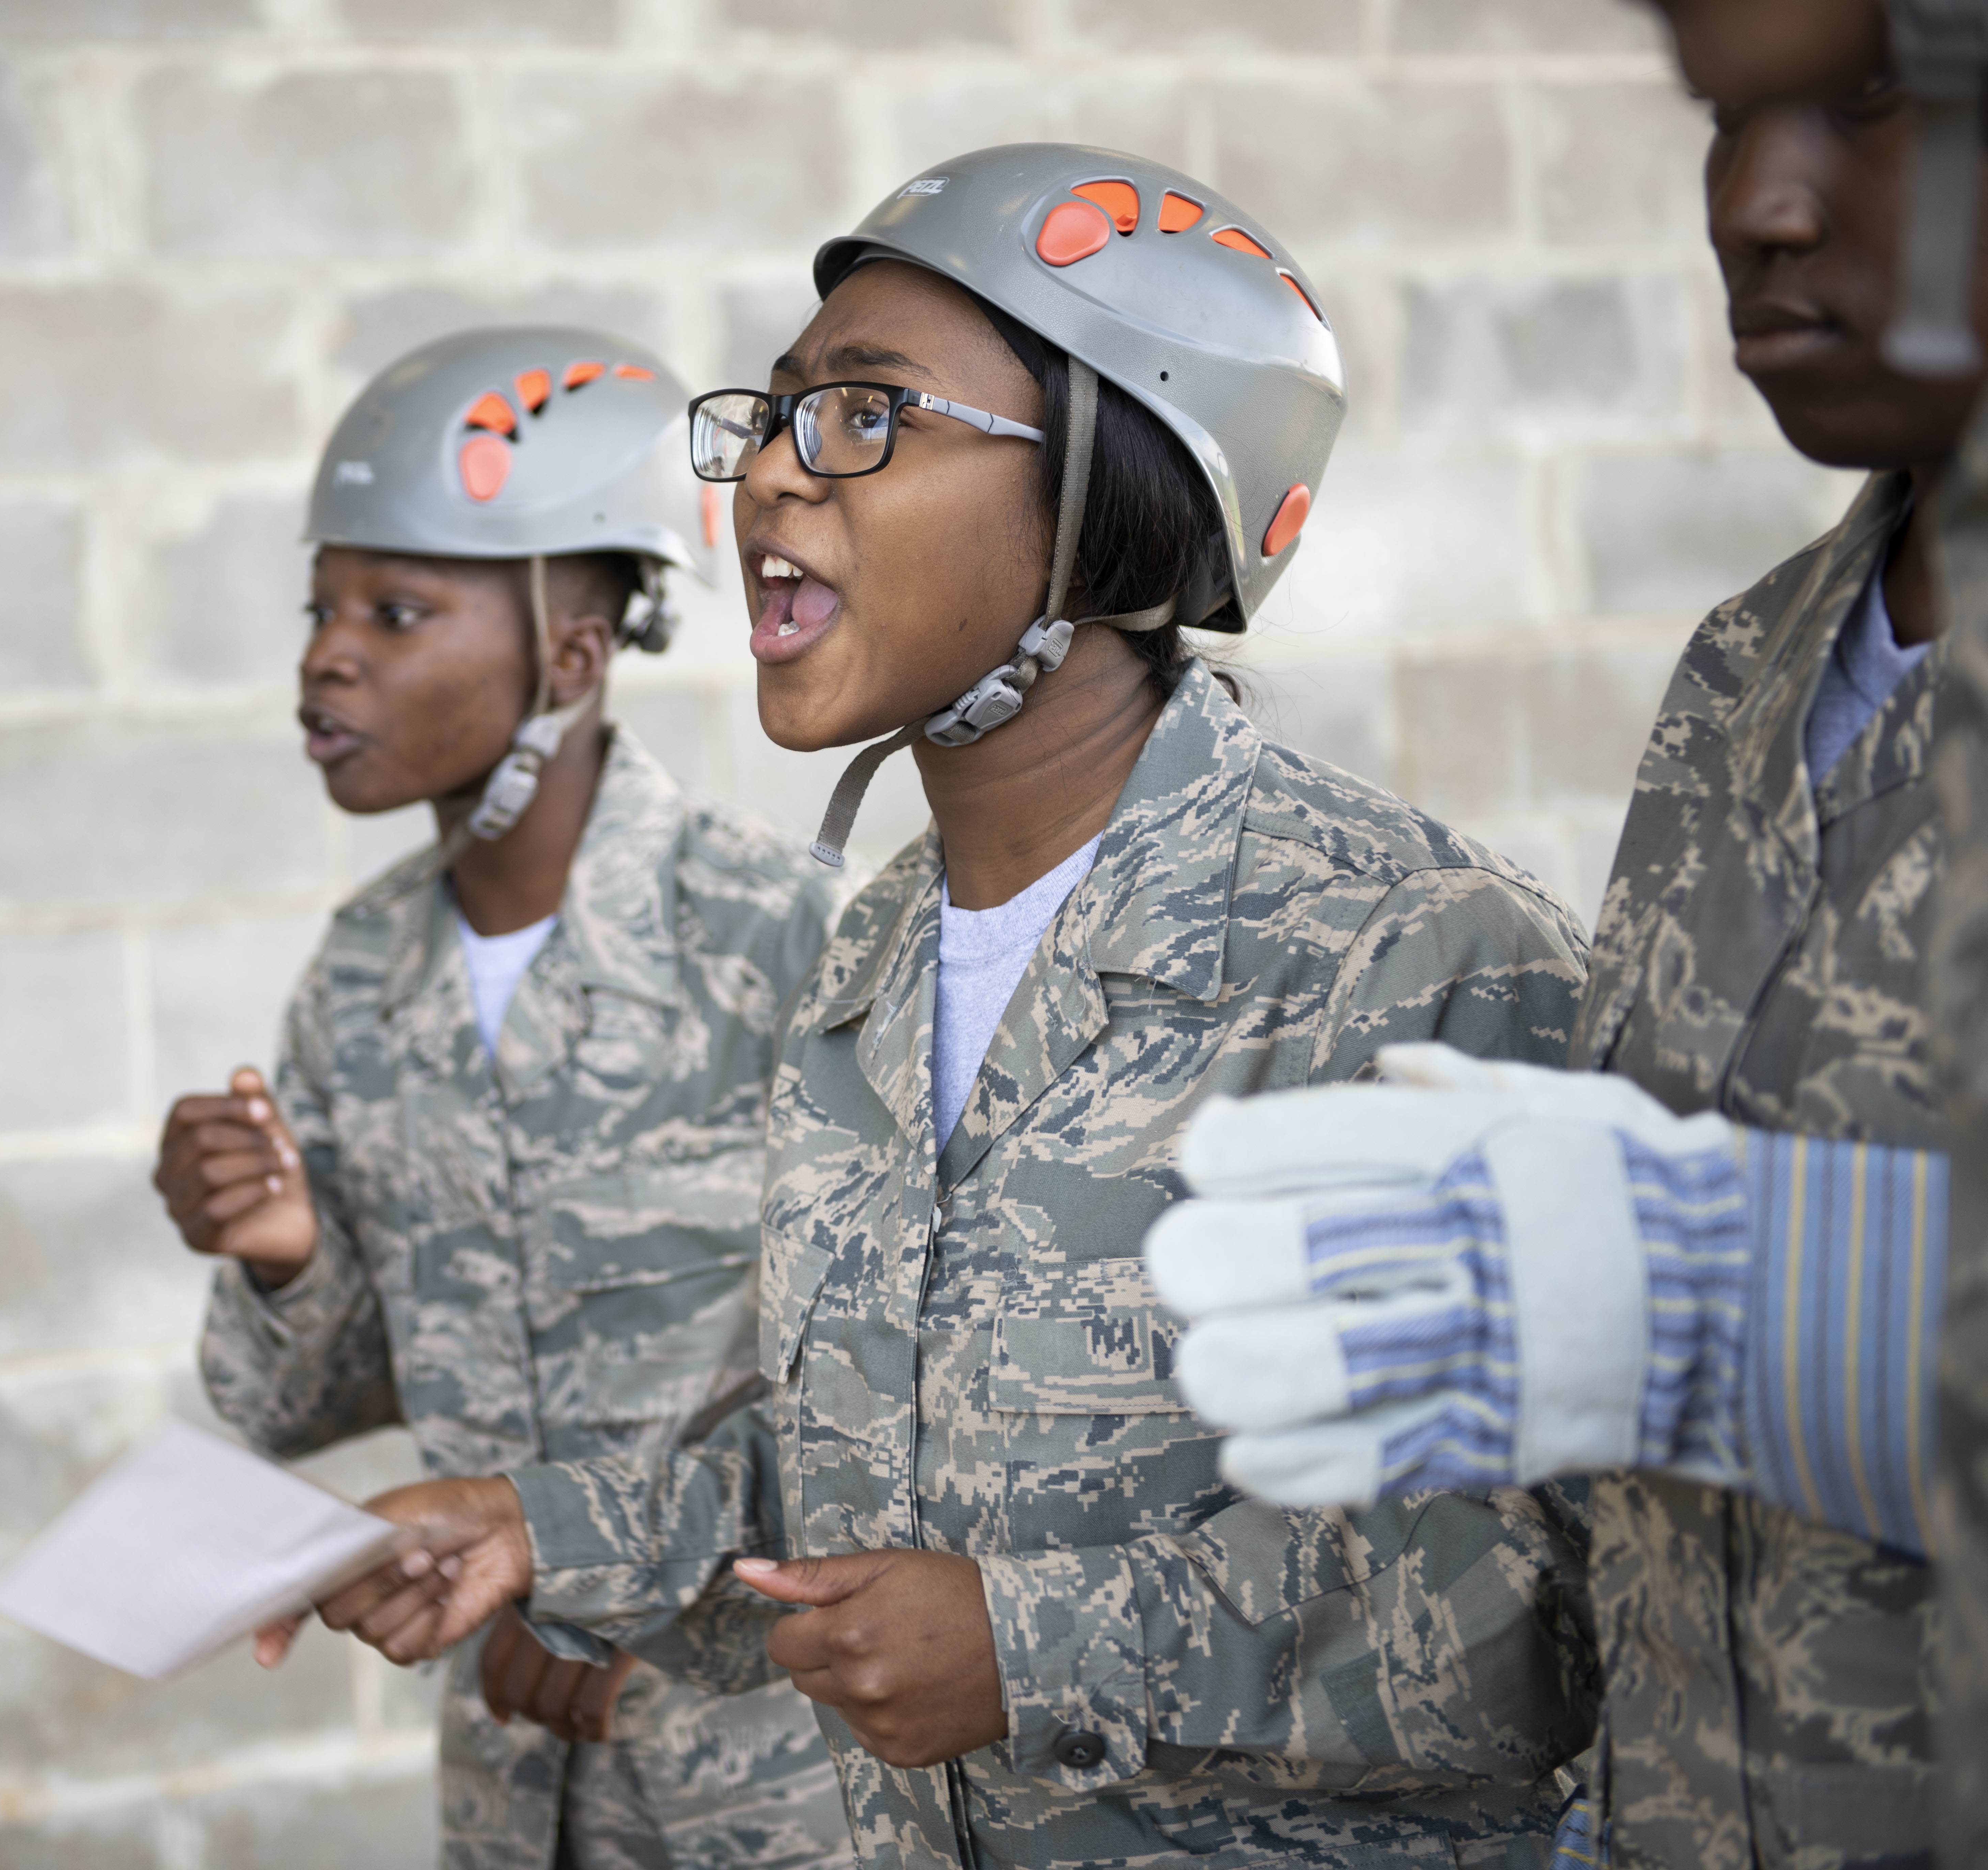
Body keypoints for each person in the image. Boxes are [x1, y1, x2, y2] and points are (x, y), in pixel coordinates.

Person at [299, 146, 1605, 1868]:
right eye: (768, 419)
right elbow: (865, 1466)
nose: (769, 473)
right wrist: (542, 1529)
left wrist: (1032, 1643)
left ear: (1111, 498)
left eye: (862, 417)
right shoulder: (877, 958)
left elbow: (1576, 1595)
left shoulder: (1414, 951)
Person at [1136, 12, 1978, 1862]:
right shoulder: (1753, 671)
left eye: (1873, 103)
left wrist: (1771, 1308)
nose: (1759, 203)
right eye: (1724, 116)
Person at [149, 326, 850, 1870]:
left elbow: (900, 1401)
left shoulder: (780, 940)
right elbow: (293, 1401)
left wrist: (608, 1574)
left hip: (780, 1790)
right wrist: (280, 1251)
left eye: (397, 611)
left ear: (573, 658)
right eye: (324, 608)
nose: (331, 653)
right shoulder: (356, 975)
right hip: (509, 1795)